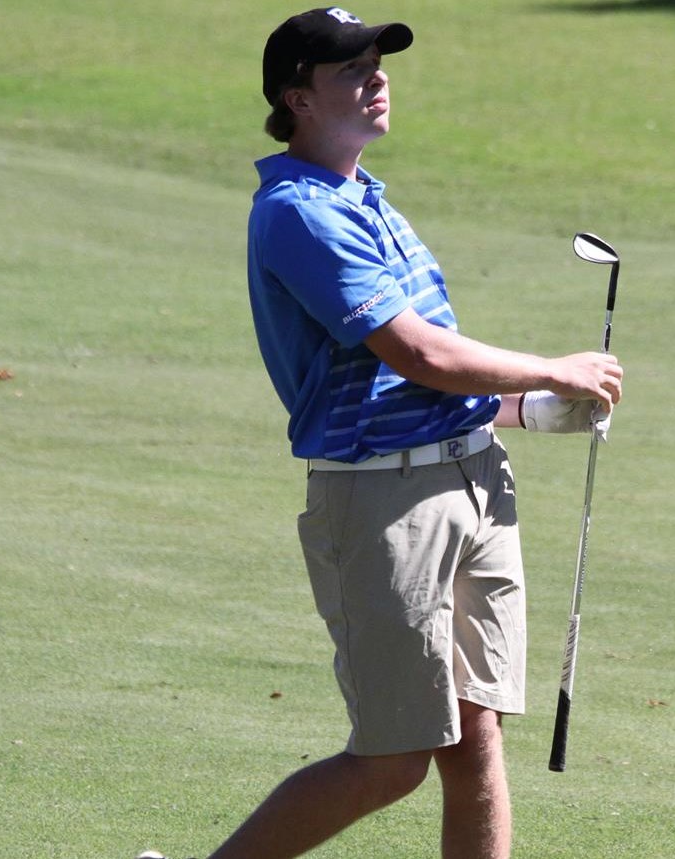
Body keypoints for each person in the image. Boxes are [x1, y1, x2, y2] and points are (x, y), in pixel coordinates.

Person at [141, 8, 623, 859]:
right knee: (394, 759)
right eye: (349, 69)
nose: (376, 77)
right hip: (385, 503)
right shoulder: (297, 211)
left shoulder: (366, 199)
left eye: (377, 62)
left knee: (476, 739)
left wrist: (530, 412)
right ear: (296, 97)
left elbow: (406, 382)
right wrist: (552, 368)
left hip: (473, 480)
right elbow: (420, 351)